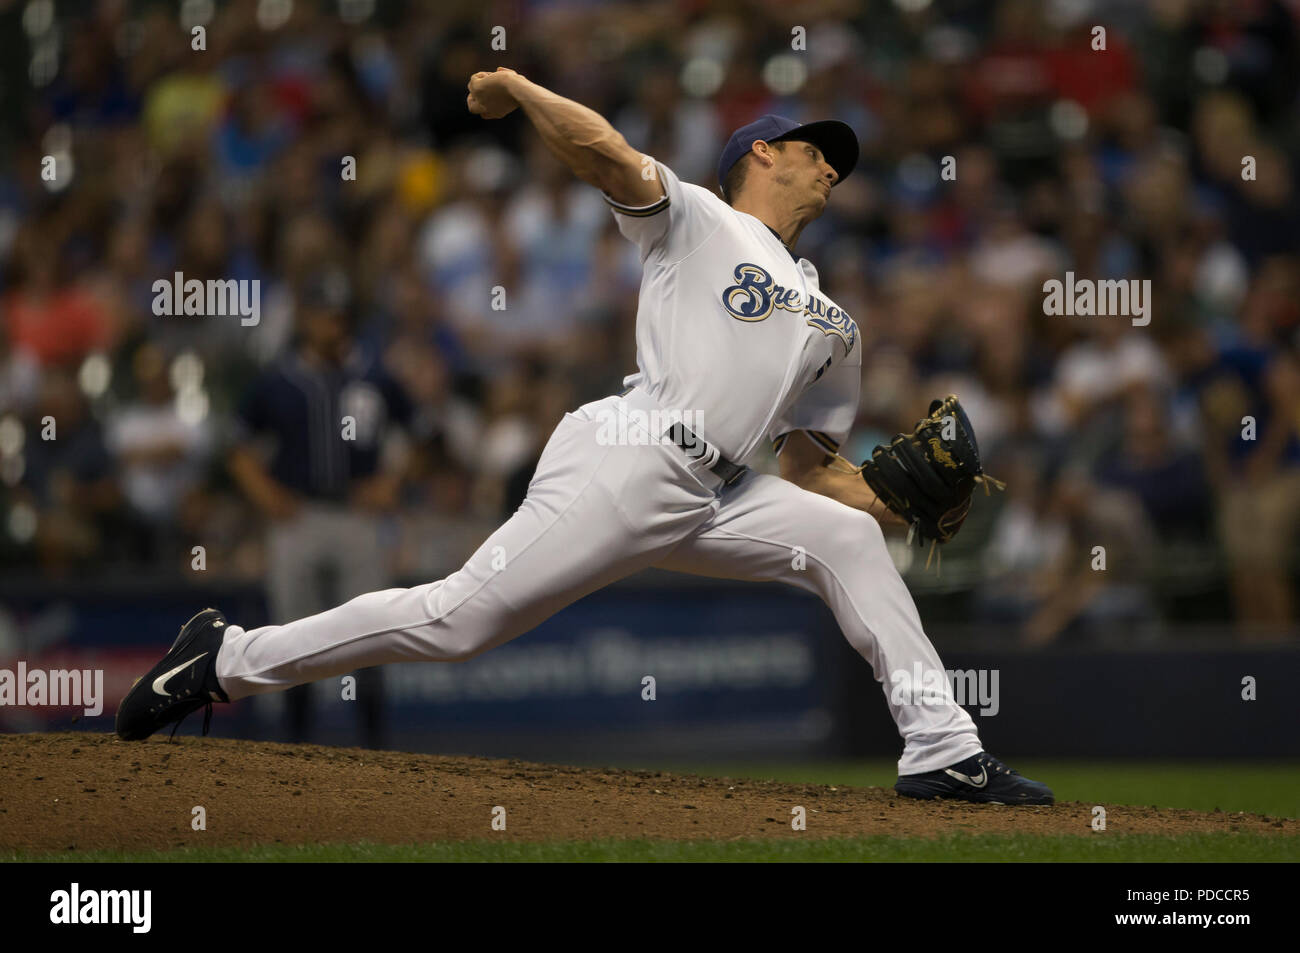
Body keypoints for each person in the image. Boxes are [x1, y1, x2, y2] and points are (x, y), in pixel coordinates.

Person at [117, 67, 1052, 806]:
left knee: (847, 541)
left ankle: (944, 751)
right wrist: (521, 89)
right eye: (816, 150)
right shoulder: (699, 219)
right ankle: (225, 657)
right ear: (761, 153)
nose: (833, 167)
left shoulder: (837, 324)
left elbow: (812, 471)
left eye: (838, 159)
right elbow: (605, 153)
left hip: (719, 492)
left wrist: (896, 501)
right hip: (632, 453)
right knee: (456, 622)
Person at [225, 270, 412, 748]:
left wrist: (391, 481)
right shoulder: (278, 380)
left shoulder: (373, 374)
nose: (336, 325)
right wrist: (265, 493)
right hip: (300, 517)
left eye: (342, 316)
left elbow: (420, 432)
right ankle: (296, 752)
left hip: (357, 517)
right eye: (327, 316)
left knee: (372, 633)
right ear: (306, 319)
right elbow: (236, 445)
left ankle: (377, 751)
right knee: (292, 637)